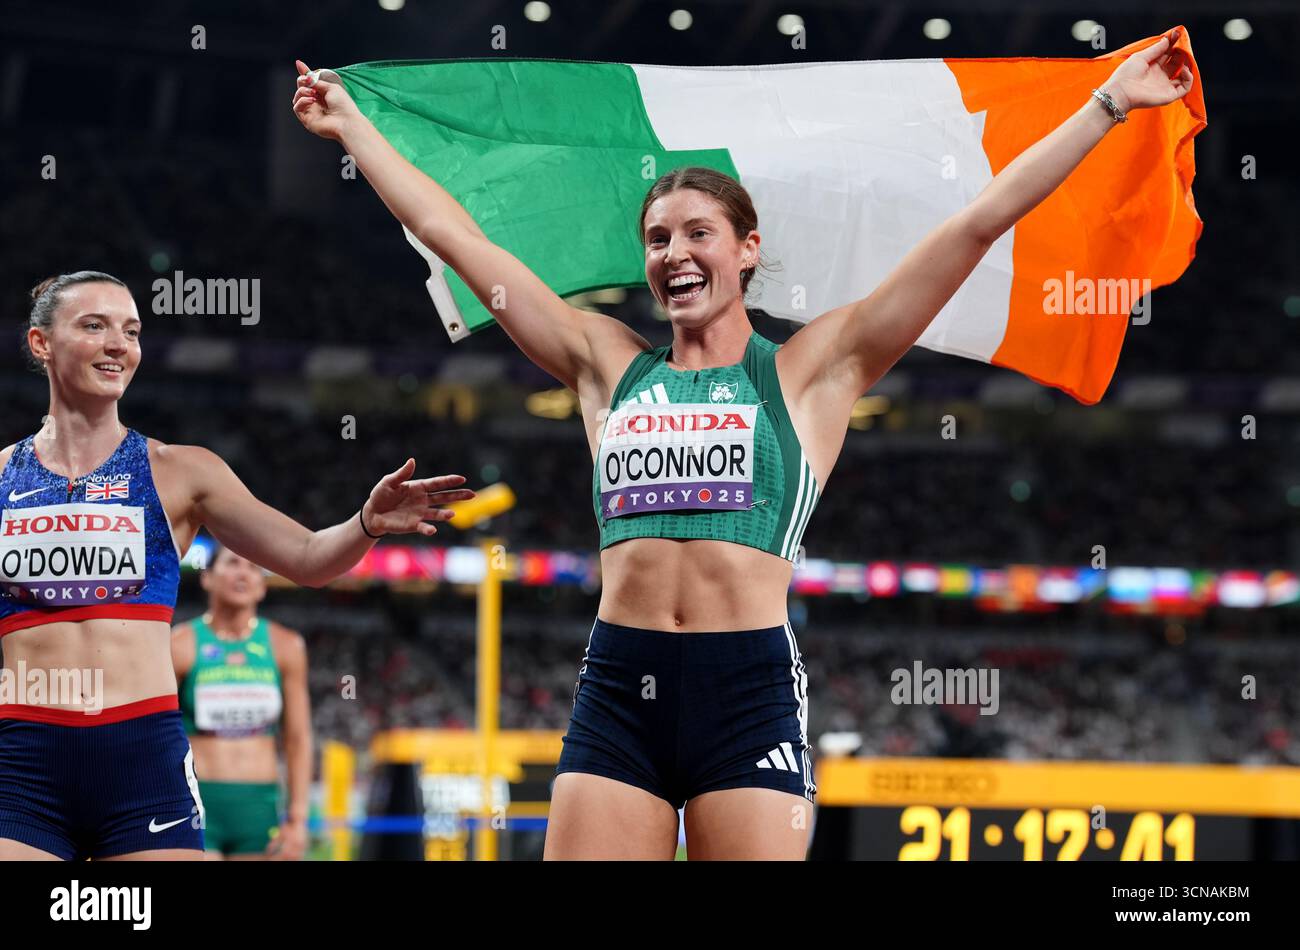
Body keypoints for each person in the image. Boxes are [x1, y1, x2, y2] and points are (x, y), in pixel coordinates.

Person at [292, 31, 1192, 859]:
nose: (672, 254)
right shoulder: (605, 362)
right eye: (655, 239)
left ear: (748, 250)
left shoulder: (813, 370)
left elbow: (976, 225)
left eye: (696, 234)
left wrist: (1108, 104)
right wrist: (356, 132)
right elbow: (458, 236)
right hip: (618, 687)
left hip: (746, 691)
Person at [0, 271, 474, 860]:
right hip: (22, 764)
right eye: (93, 326)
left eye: (132, 330)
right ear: (41, 343)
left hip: (141, 762)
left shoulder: (183, 472)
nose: (119, 344)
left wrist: (367, 523)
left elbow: (306, 560)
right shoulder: (1, 479)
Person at [172, 544, 311, 860]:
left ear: (262, 586)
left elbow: (298, 738)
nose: (242, 573)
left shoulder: (286, 645)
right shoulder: (179, 644)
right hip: (196, 801)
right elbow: (153, 732)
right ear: (207, 578)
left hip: (258, 805)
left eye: (252, 568)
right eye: (232, 563)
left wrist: (298, 818)